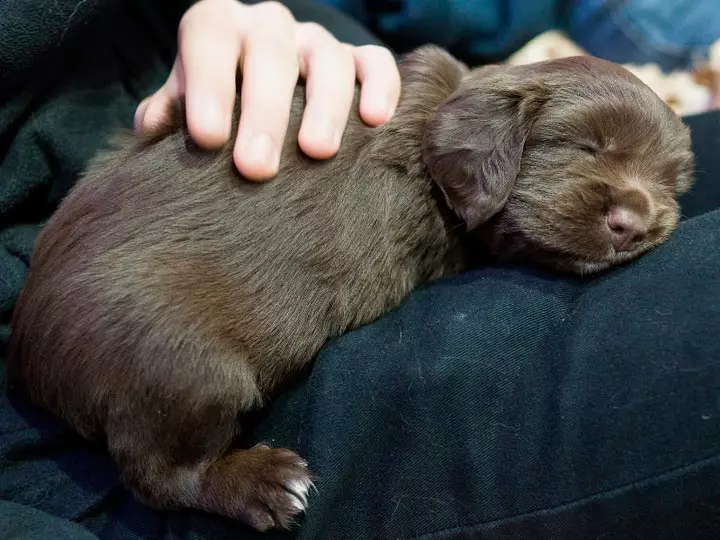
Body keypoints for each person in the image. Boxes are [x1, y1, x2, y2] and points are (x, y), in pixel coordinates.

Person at [0, 1, 718, 539]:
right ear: (494, 144)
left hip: (262, 100)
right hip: (132, 379)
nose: (639, 211)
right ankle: (184, 475)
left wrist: (269, 16)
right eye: (589, 153)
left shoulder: (474, 125)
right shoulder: (465, 153)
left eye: (666, 184)